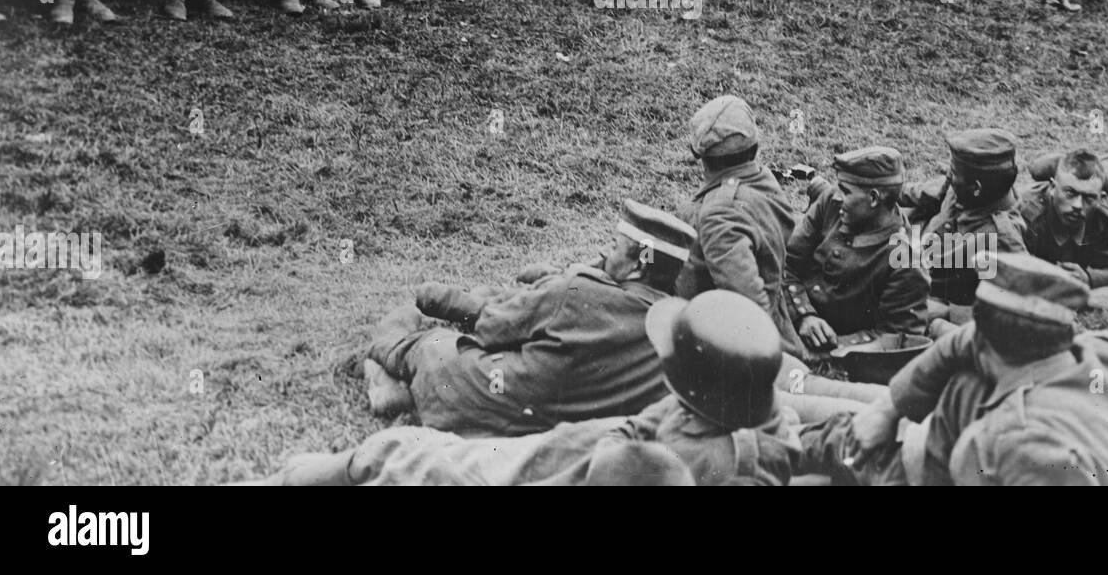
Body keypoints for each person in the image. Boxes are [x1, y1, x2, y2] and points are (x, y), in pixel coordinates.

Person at [255, 289, 801, 486]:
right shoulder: (769, 434)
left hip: (538, 461)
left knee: (400, 453)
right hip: (560, 442)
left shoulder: (678, 456)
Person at [805, 261, 1108, 485]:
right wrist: (891, 405)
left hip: (920, 461)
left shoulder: (1019, 437)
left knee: (826, 433)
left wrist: (890, 411)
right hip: (932, 438)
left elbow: (970, 339)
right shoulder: (1083, 356)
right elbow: (971, 338)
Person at [364, 199, 696, 435]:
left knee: (430, 345)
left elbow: (492, 328)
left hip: (501, 402)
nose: (604, 253)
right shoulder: (678, 329)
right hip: (571, 428)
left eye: (614, 246)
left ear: (638, 264)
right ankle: (407, 391)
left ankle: (395, 368)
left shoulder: (576, 292)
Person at [676, 95, 803, 357]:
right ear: (754, 148)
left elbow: (747, 305)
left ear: (698, 154)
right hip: (778, 325)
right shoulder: (762, 181)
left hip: (742, 353)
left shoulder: (719, 212)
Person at [784, 146, 928, 351]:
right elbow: (788, 263)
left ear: (873, 198)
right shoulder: (831, 202)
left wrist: (834, 343)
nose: (837, 195)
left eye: (846, 191)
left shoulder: (905, 259)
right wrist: (804, 315)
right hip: (793, 311)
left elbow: (898, 337)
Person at [901, 128, 1028, 313]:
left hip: (927, 294)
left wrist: (944, 315)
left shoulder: (1001, 238)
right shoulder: (972, 189)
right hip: (912, 251)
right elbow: (926, 192)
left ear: (976, 187)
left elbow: (1016, 307)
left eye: (953, 173)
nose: (948, 177)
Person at [1016, 149, 1108, 304]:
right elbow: (1005, 277)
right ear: (1052, 188)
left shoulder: (1101, 218)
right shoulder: (1026, 215)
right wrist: (1080, 298)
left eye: (1089, 198)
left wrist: (1089, 278)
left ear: (1101, 199)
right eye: (1070, 193)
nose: (1077, 205)